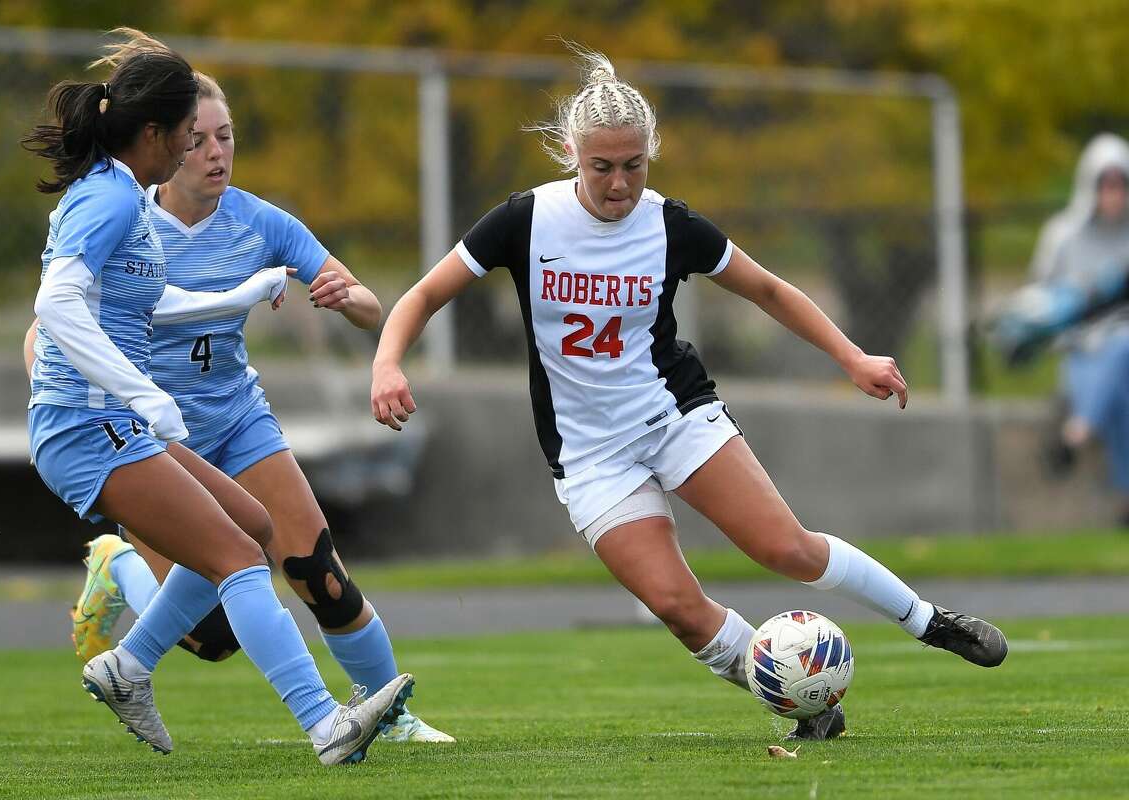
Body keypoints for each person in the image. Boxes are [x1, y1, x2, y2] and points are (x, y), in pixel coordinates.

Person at [370, 44, 1007, 740]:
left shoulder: (670, 224)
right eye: (602, 167)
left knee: (787, 549)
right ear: (569, 153)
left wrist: (851, 357)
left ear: (652, 153)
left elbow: (766, 287)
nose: (619, 185)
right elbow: (425, 293)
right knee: (678, 607)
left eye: (633, 166)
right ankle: (804, 703)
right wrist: (388, 363)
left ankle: (930, 621)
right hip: (589, 455)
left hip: (675, 415)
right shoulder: (524, 221)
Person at [24, 64, 451, 743]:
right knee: (235, 576)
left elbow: (148, 302)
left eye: (222, 136)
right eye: (194, 137)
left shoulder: (123, 196)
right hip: (95, 425)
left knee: (253, 532)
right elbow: (54, 308)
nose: (207, 150)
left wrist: (244, 294)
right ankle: (325, 725)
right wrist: (145, 396)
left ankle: (128, 666)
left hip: (158, 421)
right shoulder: (112, 200)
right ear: (159, 136)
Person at [1028, 133, 1129, 521]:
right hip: (1080, 357)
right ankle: (1125, 497)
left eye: (1121, 184)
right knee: (1120, 389)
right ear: (1092, 185)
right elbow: (1041, 304)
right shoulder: (1063, 236)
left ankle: (1076, 433)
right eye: (1107, 183)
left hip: (1123, 350)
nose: (1114, 193)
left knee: (1122, 345)